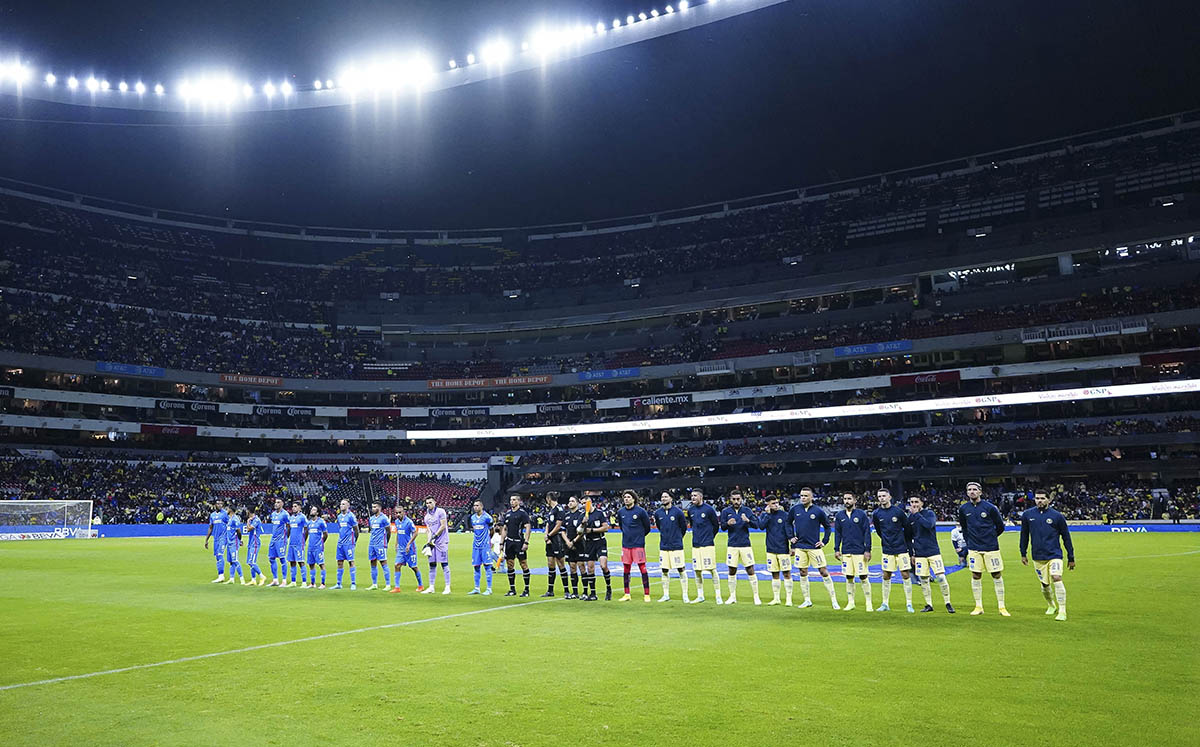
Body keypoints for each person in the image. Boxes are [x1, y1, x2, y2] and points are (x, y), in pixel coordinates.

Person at [1020, 488, 1075, 621]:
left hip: (1054, 554)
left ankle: (1062, 610)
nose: (1039, 501)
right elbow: (1024, 535)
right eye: (1037, 498)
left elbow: (1066, 537)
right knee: (1045, 584)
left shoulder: (1057, 516)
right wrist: (1023, 552)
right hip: (1038, 556)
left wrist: (1071, 557)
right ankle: (1051, 605)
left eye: (1042, 498)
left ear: (1048, 500)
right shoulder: (1027, 515)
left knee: (1056, 577)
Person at [958, 481, 1008, 616]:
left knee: (996, 574)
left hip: (991, 547)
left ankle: (1002, 607)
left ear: (980, 492)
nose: (972, 491)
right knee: (975, 575)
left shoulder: (990, 508)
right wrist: (969, 542)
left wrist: (991, 537)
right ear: (967, 492)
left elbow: (1000, 526)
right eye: (969, 489)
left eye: (975, 489)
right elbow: (964, 527)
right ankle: (978, 606)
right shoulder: (963, 509)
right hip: (974, 548)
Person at [787, 487, 840, 609]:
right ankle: (807, 600)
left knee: (823, 571)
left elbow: (827, 527)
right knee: (802, 572)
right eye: (801, 496)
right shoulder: (795, 510)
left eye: (805, 496)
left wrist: (824, 541)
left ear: (811, 497)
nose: (803, 498)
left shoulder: (818, 511)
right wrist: (791, 537)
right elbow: (788, 523)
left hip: (814, 547)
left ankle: (834, 600)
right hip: (800, 547)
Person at [906, 495, 954, 613]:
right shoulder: (910, 518)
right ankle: (929, 604)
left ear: (922, 503)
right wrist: (912, 553)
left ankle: (947, 602)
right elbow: (908, 537)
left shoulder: (929, 514)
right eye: (911, 502)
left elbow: (929, 525)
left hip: (933, 551)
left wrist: (917, 514)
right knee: (923, 579)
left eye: (916, 501)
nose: (914, 504)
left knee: (941, 577)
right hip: (919, 553)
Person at [871, 488, 914, 613]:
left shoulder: (898, 512)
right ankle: (885, 603)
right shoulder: (876, 514)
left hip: (901, 548)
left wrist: (907, 546)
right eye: (879, 496)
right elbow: (879, 531)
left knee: (905, 575)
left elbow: (907, 529)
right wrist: (886, 540)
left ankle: (909, 604)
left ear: (889, 497)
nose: (882, 498)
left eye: (884, 496)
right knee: (886, 575)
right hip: (887, 549)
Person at [720, 489, 761, 605]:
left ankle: (756, 596)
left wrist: (747, 521)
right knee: (732, 570)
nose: (736, 501)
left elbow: (756, 525)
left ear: (742, 499)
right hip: (732, 545)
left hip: (745, 544)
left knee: (750, 569)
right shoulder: (726, 511)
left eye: (738, 499)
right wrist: (728, 524)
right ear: (730, 499)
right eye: (734, 499)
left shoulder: (747, 511)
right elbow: (722, 527)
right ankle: (732, 596)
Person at [834, 491, 873, 612]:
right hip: (846, 551)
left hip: (859, 551)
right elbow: (837, 534)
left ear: (855, 500)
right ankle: (851, 602)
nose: (847, 501)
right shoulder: (840, 516)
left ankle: (868, 603)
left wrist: (868, 549)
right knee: (849, 576)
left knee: (863, 576)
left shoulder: (861, 514)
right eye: (845, 499)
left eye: (849, 499)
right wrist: (836, 549)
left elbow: (867, 532)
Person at [685, 489, 722, 605]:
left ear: (700, 497)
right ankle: (700, 595)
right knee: (697, 570)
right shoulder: (690, 510)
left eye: (695, 496)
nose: (693, 498)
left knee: (712, 569)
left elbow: (715, 526)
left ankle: (718, 595)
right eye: (692, 496)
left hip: (707, 544)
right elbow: (691, 523)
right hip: (696, 544)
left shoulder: (709, 510)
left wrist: (709, 537)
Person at [616, 490, 653, 602]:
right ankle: (627, 594)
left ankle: (647, 594)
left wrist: (639, 537)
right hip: (626, 544)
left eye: (629, 497)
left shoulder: (641, 512)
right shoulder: (621, 512)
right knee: (626, 569)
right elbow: (622, 527)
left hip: (638, 544)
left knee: (643, 568)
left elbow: (647, 527)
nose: (626, 499)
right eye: (625, 497)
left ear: (633, 499)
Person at [652, 490, 689, 602]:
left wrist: (677, 538)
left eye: (666, 497)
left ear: (671, 499)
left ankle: (685, 595)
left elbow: (683, 527)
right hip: (664, 546)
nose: (663, 499)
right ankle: (666, 594)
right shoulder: (658, 513)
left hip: (676, 545)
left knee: (681, 569)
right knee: (664, 570)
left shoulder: (678, 512)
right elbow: (659, 526)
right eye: (662, 497)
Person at [758, 495, 794, 606]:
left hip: (783, 549)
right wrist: (767, 514)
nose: (776, 505)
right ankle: (776, 598)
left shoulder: (784, 515)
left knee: (786, 573)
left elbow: (789, 531)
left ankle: (789, 598)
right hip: (770, 549)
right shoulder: (765, 515)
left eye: (777, 502)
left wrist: (792, 547)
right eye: (773, 503)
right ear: (767, 505)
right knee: (774, 574)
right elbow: (761, 526)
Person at [500, 494, 533, 597]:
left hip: (519, 542)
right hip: (509, 542)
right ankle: (512, 589)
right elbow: (505, 529)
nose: (512, 502)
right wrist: (501, 542)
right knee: (510, 565)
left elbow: (528, 527)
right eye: (511, 500)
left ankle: (526, 589)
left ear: (519, 502)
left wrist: (526, 542)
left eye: (514, 500)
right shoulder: (508, 514)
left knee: (523, 564)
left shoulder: (523, 514)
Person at [581, 497, 613, 601]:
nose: (583, 505)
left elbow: (605, 527)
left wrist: (592, 530)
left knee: (603, 566)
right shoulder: (583, 515)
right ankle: (593, 593)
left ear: (590, 503)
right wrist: (582, 524)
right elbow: (579, 532)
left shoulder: (599, 513)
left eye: (585, 503)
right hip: (589, 543)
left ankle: (609, 588)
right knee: (590, 568)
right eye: (582, 503)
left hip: (600, 541)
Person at [390, 505, 425, 592]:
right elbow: (398, 533)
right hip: (401, 549)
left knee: (414, 567)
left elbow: (415, 533)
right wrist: (396, 544)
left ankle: (421, 585)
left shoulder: (409, 522)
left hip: (410, 549)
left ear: (403, 512)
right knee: (397, 565)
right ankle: (397, 587)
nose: (398, 514)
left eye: (400, 512)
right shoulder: (397, 522)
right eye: (396, 513)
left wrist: (409, 544)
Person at [422, 496, 451, 595]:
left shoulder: (441, 512)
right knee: (432, 565)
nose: (428, 504)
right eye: (427, 503)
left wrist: (435, 536)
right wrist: (428, 542)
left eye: (430, 502)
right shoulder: (426, 517)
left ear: (435, 502)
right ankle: (431, 587)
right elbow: (428, 530)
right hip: (433, 543)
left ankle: (447, 587)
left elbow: (443, 525)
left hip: (442, 541)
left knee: (444, 564)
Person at [542, 492, 569, 598]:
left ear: (549, 499)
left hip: (557, 539)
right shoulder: (551, 510)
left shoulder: (559, 509)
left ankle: (566, 590)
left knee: (561, 564)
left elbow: (558, 526)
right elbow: (548, 524)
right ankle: (550, 590)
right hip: (550, 540)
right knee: (550, 564)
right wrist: (546, 535)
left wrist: (548, 535)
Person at [467, 500, 495, 595]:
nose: (475, 507)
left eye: (477, 505)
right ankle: (477, 588)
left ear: (482, 506)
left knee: (487, 566)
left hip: (485, 546)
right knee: (476, 567)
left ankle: (489, 588)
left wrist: (488, 540)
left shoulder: (487, 518)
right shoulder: (473, 518)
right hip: (476, 545)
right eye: (474, 505)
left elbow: (492, 530)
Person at [561, 495, 586, 599]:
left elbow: (582, 531)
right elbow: (562, 531)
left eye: (572, 501)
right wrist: (567, 542)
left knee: (581, 567)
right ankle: (575, 592)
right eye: (569, 501)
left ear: (577, 503)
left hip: (579, 544)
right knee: (572, 568)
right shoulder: (566, 516)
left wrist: (574, 541)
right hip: (569, 545)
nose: (570, 503)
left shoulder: (581, 515)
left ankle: (585, 592)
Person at [366, 501, 392, 591]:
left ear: (379, 508)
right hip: (372, 544)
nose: (373, 508)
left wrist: (386, 542)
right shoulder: (371, 518)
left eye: (375, 507)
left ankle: (388, 585)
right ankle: (374, 584)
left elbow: (389, 531)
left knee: (383, 563)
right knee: (372, 563)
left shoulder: (384, 518)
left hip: (380, 544)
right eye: (372, 507)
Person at [333, 499, 358, 590]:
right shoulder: (339, 516)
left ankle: (353, 583)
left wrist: (354, 541)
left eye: (343, 504)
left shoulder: (351, 516)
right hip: (340, 543)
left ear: (348, 506)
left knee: (351, 562)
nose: (341, 505)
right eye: (340, 504)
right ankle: (338, 584)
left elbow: (356, 530)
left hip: (348, 543)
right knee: (339, 562)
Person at [203, 499, 229, 583]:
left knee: (220, 554)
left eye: (221, 504)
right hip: (216, 539)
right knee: (217, 557)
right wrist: (206, 539)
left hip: (223, 538)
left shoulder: (225, 514)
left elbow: (230, 524)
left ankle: (221, 576)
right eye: (218, 504)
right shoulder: (212, 515)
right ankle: (221, 575)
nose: (220, 505)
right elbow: (211, 527)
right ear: (215, 505)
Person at [303, 506, 328, 589]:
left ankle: (323, 584)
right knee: (311, 564)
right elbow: (306, 533)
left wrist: (321, 543)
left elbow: (325, 534)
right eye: (311, 509)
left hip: (318, 547)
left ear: (317, 513)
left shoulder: (321, 522)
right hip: (310, 547)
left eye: (314, 510)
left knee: (321, 564)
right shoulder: (309, 523)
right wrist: (304, 542)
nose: (312, 511)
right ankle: (312, 583)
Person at [285, 501, 308, 588]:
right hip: (291, 543)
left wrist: (303, 541)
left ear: (299, 508)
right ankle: (293, 581)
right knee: (292, 562)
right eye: (293, 506)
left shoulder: (302, 517)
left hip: (299, 543)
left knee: (301, 562)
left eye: (295, 506)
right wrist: (286, 538)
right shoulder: (291, 518)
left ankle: (304, 582)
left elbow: (306, 529)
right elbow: (289, 529)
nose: (293, 508)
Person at [267, 498, 289, 586]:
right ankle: (275, 579)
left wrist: (285, 537)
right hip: (273, 539)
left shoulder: (285, 514)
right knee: (271, 558)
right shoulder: (273, 514)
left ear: (282, 504)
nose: (276, 504)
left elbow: (288, 526)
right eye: (275, 502)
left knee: (282, 559)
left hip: (281, 540)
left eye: (278, 502)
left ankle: (284, 580)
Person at [244, 508, 265, 586]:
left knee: (251, 562)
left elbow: (249, 529)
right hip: (251, 543)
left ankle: (262, 576)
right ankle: (253, 580)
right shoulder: (252, 520)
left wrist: (248, 522)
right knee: (250, 562)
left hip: (255, 543)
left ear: (249, 511)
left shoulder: (256, 520)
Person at [225, 508, 244, 585]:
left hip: (234, 542)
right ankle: (231, 579)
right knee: (231, 562)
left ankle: (242, 579)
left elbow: (238, 530)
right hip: (229, 543)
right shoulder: (230, 519)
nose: (226, 510)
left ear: (230, 510)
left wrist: (240, 540)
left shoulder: (235, 519)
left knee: (235, 560)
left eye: (227, 509)